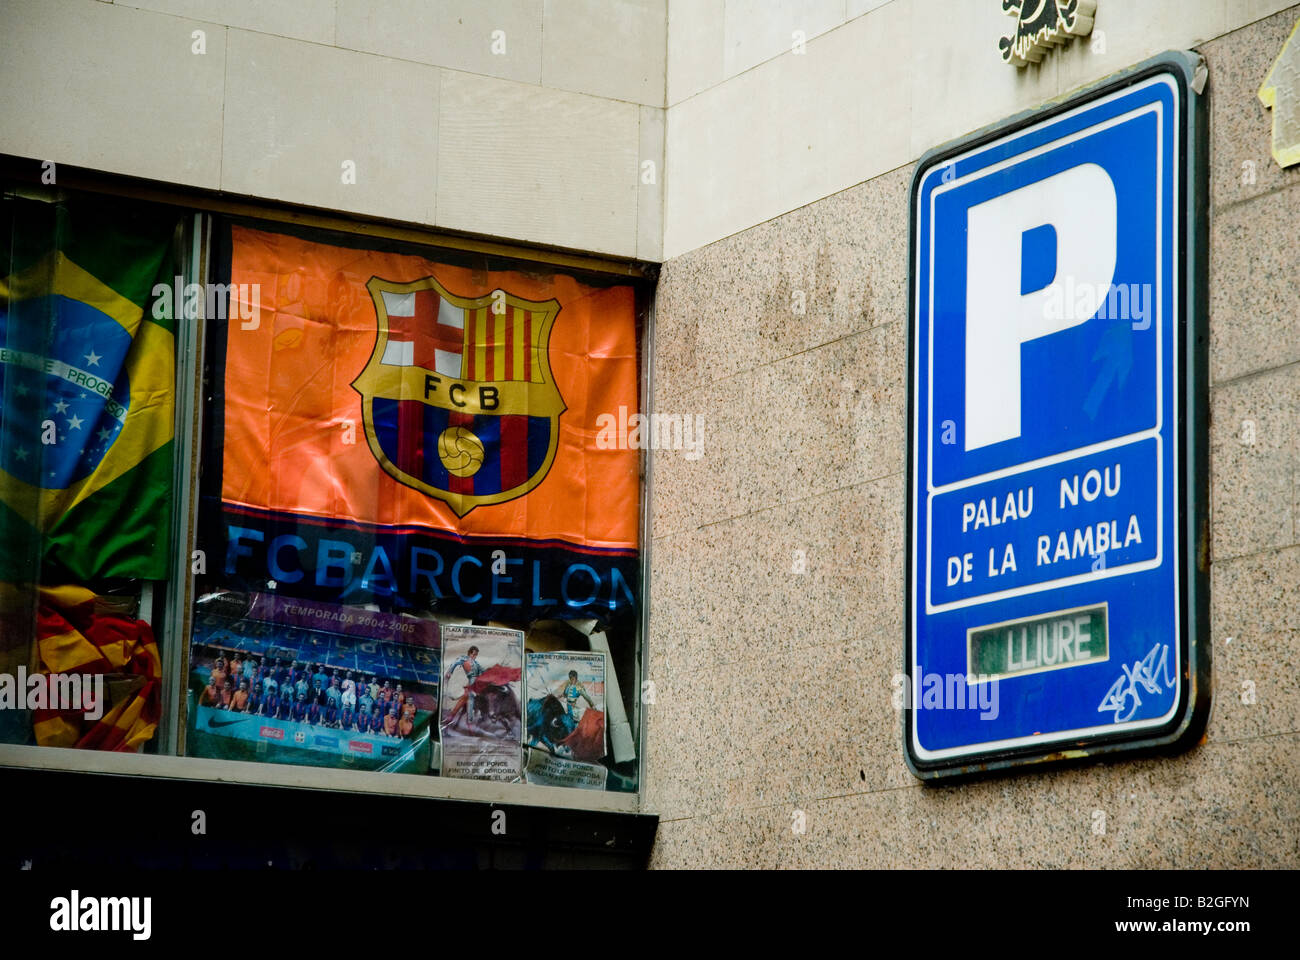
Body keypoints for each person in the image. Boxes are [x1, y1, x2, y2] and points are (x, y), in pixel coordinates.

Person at [442, 646, 483, 733]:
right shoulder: (464, 659)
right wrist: (450, 672)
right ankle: (469, 724)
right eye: (473, 654)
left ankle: (450, 724)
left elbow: (482, 672)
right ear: (469, 653)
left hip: (474, 686)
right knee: (464, 703)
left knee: (459, 707)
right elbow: (454, 664)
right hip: (470, 687)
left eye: (476, 655)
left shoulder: (477, 664)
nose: (475, 656)